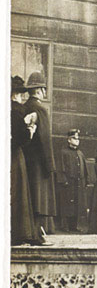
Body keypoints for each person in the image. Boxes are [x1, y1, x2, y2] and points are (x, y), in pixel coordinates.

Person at [11, 76, 45, 245]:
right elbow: (22, 137)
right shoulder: (16, 110)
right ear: (15, 94)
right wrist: (30, 130)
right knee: (19, 194)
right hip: (15, 157)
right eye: (19, 94)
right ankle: (20, 234)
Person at [23, 71, 58, 234]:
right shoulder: (40, 109)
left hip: (26, 160)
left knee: (28, 195)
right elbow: (45, 140)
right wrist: (50, 165)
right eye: (44, 89)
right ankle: (39, 231)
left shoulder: (24, 107)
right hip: (39, 162)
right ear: (39, 90)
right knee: (40, 198)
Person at [56, 128, 89, 233]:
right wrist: (63, 180)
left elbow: (85, 168)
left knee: (77, 205)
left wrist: (85, 180)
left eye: (78, 139)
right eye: (74, 138)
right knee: (67, 205)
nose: (77, 141)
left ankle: (74, 226)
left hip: (78, 183)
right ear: (69, 140)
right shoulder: (63, 152)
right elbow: (60, 167)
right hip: (68, 183)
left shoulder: (80, 153)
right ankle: (65, 226)